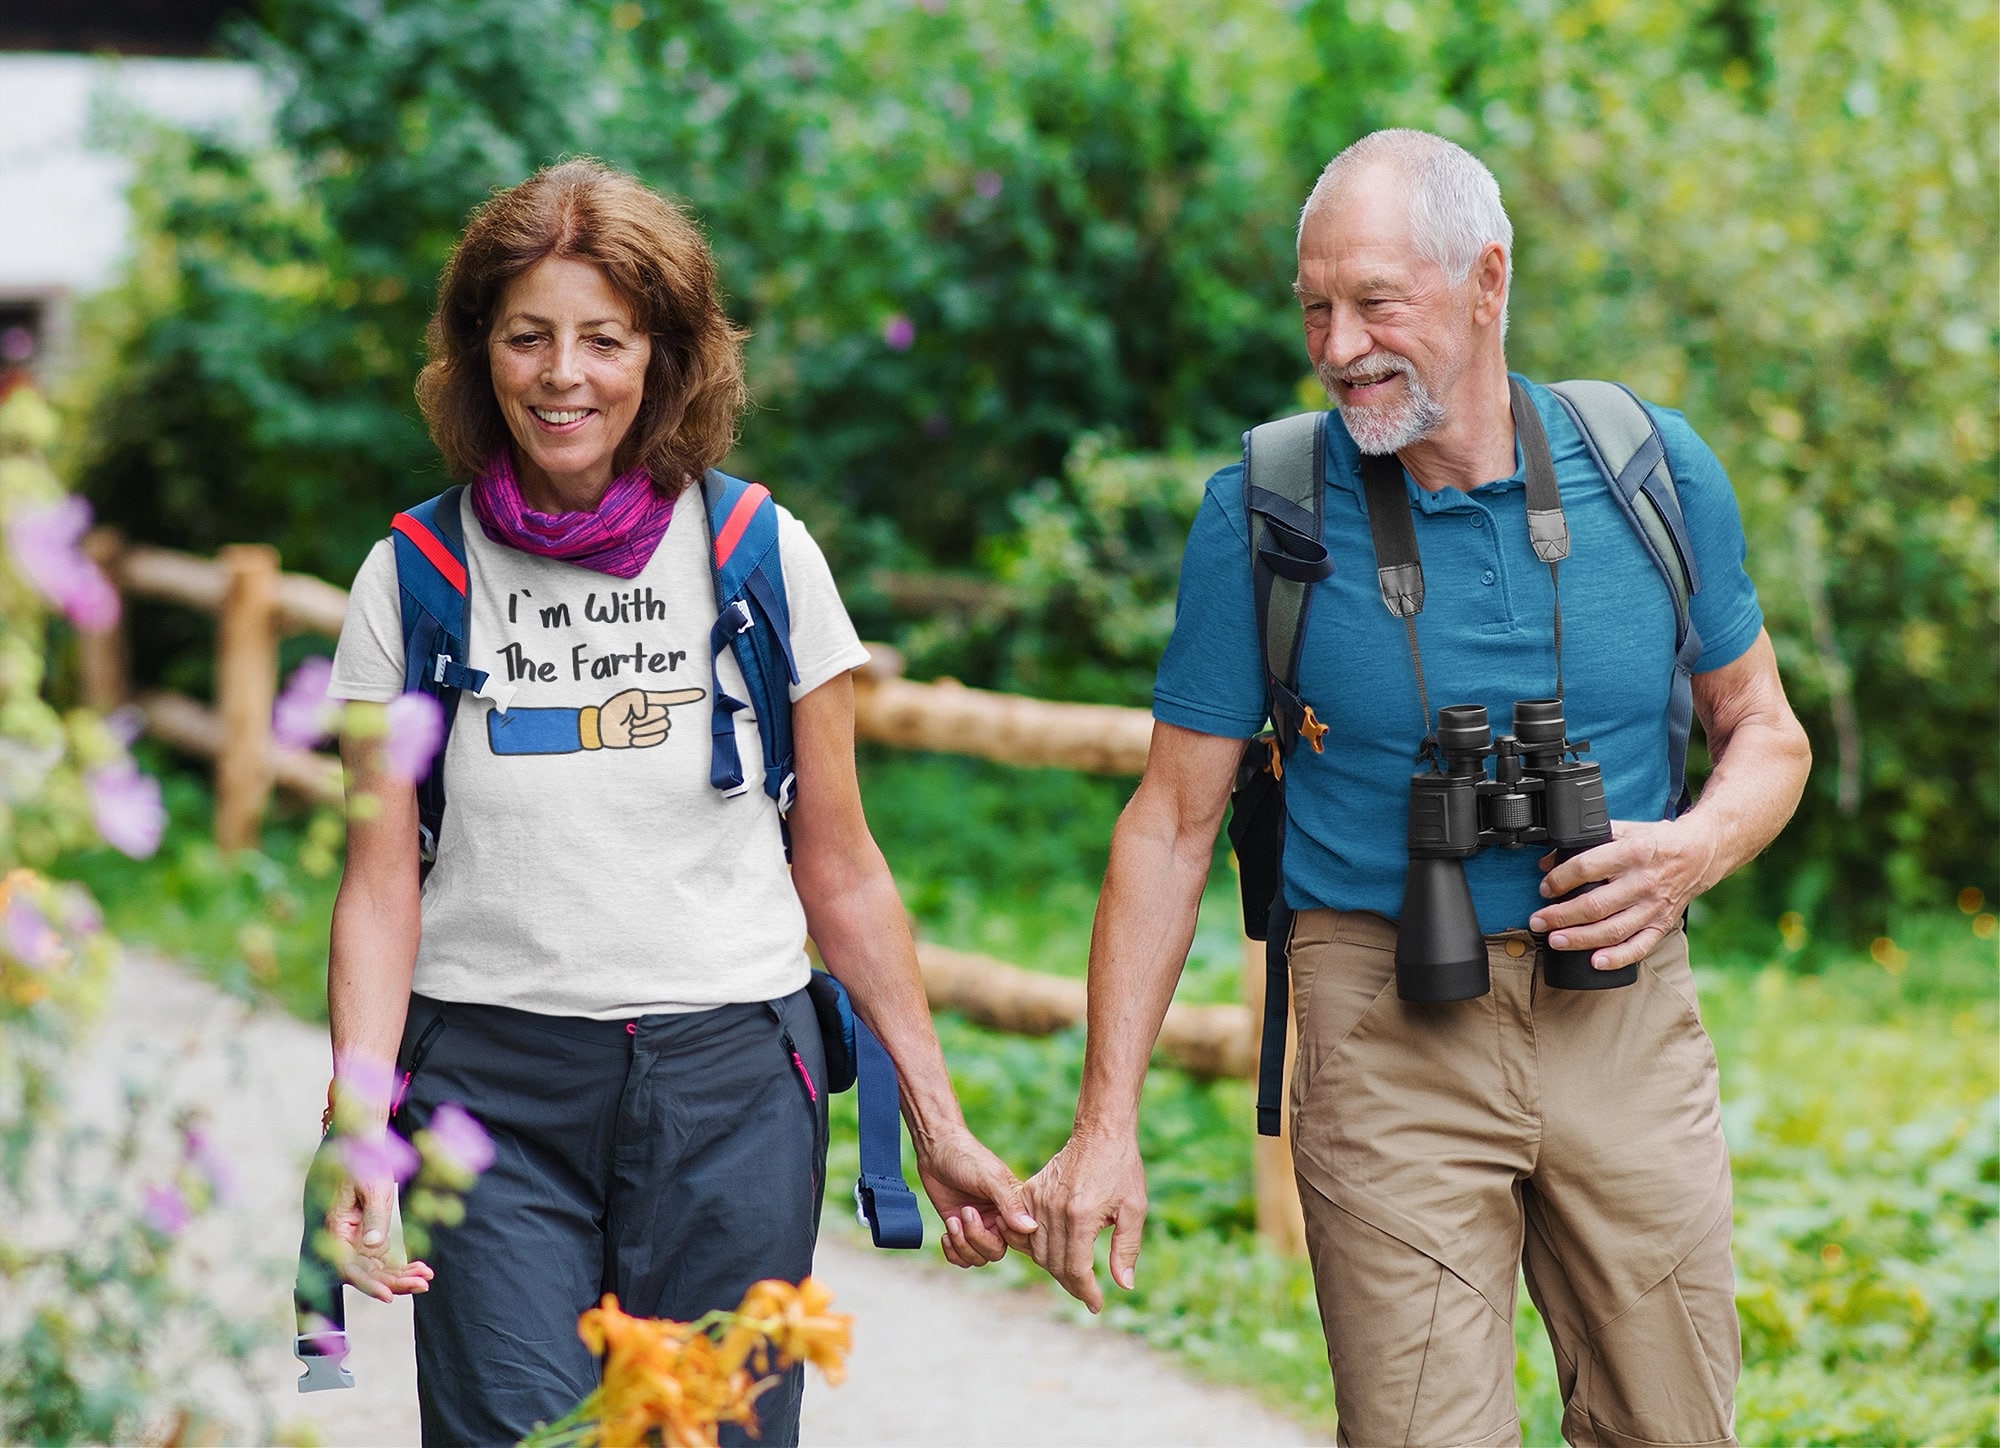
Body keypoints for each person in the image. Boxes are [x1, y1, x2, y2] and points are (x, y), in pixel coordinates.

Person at [1018, 130, 1810, 1447]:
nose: (1337, 345)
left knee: (1676, 1426)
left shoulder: (1650, 469)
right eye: (1315, 307)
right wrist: (1108, 1125)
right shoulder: (1268, 511)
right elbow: (1168, 823)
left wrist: (1692, 851)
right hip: (1383, 1015)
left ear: (1488, 281)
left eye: (1376, 301)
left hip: (1619, 1005)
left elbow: (1765, 731)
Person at [321, 159, 1032, 1447]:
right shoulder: (410, 577)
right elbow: (379, 881)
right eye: (528, 336)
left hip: (731, 1094)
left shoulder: (760, 554)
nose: (563, 376)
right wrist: (357, 1124)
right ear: (479, 352)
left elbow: (843, 869)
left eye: (604, 340)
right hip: (489, 1091)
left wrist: (938, 1119)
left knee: (709, 1432)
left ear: (665, 358)